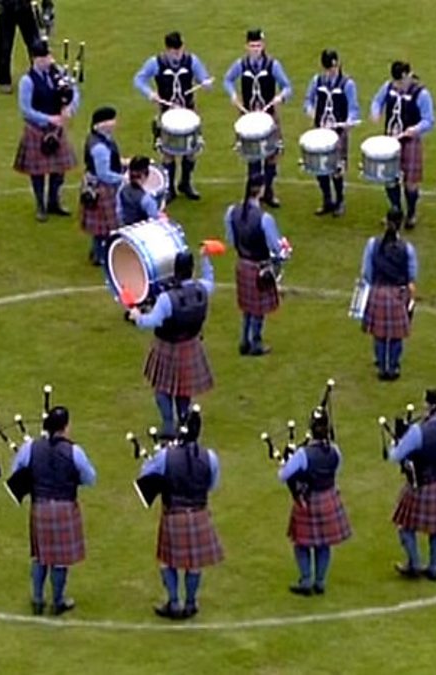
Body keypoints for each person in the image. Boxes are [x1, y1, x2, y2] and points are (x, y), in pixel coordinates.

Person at [137, 407, 222, 619]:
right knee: (194, 563)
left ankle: (174, 602)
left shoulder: (166, 455)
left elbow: (145, 475)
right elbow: (212, 485)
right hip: (199, 512)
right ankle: (191, 603)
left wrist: (155, 460)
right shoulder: (210, 457)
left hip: (173, 513)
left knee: (168, 561)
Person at [11, 406, 97, 616]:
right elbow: (90, 478)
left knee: (40, 556)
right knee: (59, 559)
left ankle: (38, 599)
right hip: (65, 507)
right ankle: (57, 601)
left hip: (40, 506)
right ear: (65, 426)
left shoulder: (29, 447)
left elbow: (15, 473)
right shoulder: (74, 451)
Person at [129, 249, 216, 437]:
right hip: (191, 345)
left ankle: (168, 426)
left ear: (175, 270)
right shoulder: (203, 289)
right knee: (184, 389)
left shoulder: (167, 299)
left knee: (162, 388)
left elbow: (152, 321)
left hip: (167, 346)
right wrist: (205, 258)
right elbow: (210, 279)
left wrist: (137, 317)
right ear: (191, 270)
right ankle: (183, 421)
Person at [387, 389, 436, 580]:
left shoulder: (418, 432)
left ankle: (414, 564)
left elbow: (395, 456)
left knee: (405, 527)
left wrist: (395, 442)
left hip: (420, 484)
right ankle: (434, 566)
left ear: (428, 405)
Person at [133, 31, 212, 201]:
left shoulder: (191, 60)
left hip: (189, 111)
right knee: (167, 151)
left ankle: (186, 182)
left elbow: (204, 79)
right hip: (166, 113)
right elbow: (139, 80)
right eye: (173, 51)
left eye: (179, 50)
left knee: (191, 150)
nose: (177, 55)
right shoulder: (156, 63)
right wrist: (150, 93)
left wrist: (205, 83)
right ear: (167, 49)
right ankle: (169, 188)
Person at [279, 409, 351, 595]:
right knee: (324, 544)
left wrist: (287, 462)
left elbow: (284, 475)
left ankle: (306, 581)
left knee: (302, 543)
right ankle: (320, 582)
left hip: (309, 500)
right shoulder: (335, 450)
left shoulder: (304, 454)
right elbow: (337, 468)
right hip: (329, 497)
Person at [223, 29, 292, 208]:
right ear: (246, 46)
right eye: (252, 46)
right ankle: (251, 194)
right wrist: (232, 95)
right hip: (248, 115)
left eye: (258, 46)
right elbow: (227, 80)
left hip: (269, 116)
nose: (255, 49)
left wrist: (281, 97)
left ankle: (268, 191)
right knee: (252, 157)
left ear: (264, 46)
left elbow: (287, 86)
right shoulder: (241, 64)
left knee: (271, 155)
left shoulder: (273, 65)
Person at [14, 40, 79, 222]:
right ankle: (40, 204)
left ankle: (53, 201)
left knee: (59, 169)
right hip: (37, 129)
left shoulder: (57, 73)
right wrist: (49, 118)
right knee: (38, 172)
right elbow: (25, 109)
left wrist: (70, 109)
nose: (49, 60)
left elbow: (74, 91)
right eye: (44, 57)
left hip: (57, 128)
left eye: (49, 56)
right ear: (35, 58)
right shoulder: (27, 81)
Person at [370, 61, 435, 228]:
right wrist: (376, 112)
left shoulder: (421, 94)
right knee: (389, 178)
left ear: (407, 76)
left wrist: (415, 129)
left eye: (400, 82)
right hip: (391, 139)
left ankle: (411, 213)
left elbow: (429, 120)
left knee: (411, 181)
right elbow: (377, 101)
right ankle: (396, 210)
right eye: (395, 82)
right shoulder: (389, 86)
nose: (397, 85)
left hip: (410, 140)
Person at [224, 177, 284, 356]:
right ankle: (254, 343)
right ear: (261, 190)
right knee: (258, 310)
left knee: (247, 308)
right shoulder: (265, 218)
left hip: (242, 263)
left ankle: (244, 340)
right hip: (260, 267)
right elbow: (276, 247)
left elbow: (231, 239)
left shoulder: (231, 211)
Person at [360, 209, 418, 380]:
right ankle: (392, 366)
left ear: (386, 221)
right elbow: (412, 274)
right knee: (396, 334)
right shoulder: (407, 248)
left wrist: (373, 286)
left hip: (378, 290)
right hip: (398, 292)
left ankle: (381, 364)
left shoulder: (373, 244)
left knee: (379, 333)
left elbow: (367, 272)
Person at [303, 49, 358, 216]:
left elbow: (354, 108)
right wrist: (311, 111)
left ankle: (340, 200)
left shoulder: (347, 84)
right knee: (319, 166)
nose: (330, 72)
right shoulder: (317, 80)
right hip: (320, 131)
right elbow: (308, 100)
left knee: (337, 168)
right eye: (327, 69)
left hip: (338, 132)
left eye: (332, 69)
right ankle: (327, 199)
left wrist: (349, 121)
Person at [80, 106, 125, 265]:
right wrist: (124, 178)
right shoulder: (99, 147)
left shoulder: (103, 138)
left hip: (97, 183)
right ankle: (100, 256)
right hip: (102, 187)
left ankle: (97, 252)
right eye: (110, 120)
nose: (114, 123)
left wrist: (123, 163)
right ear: (101, 124)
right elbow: (104, 174)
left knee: (102, 227)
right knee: (105, 227)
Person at [0, 0, 49, 93]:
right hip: (6, 8)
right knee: (5, 45)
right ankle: (4, 80)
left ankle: (39, 74)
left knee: (33, 44)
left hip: (24, 6)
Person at [116, 156, 162, 227]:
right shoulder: (147, 199)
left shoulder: (122, 189)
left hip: (127, 229)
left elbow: (118, 211)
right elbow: (155, 219)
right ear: (144, 176)